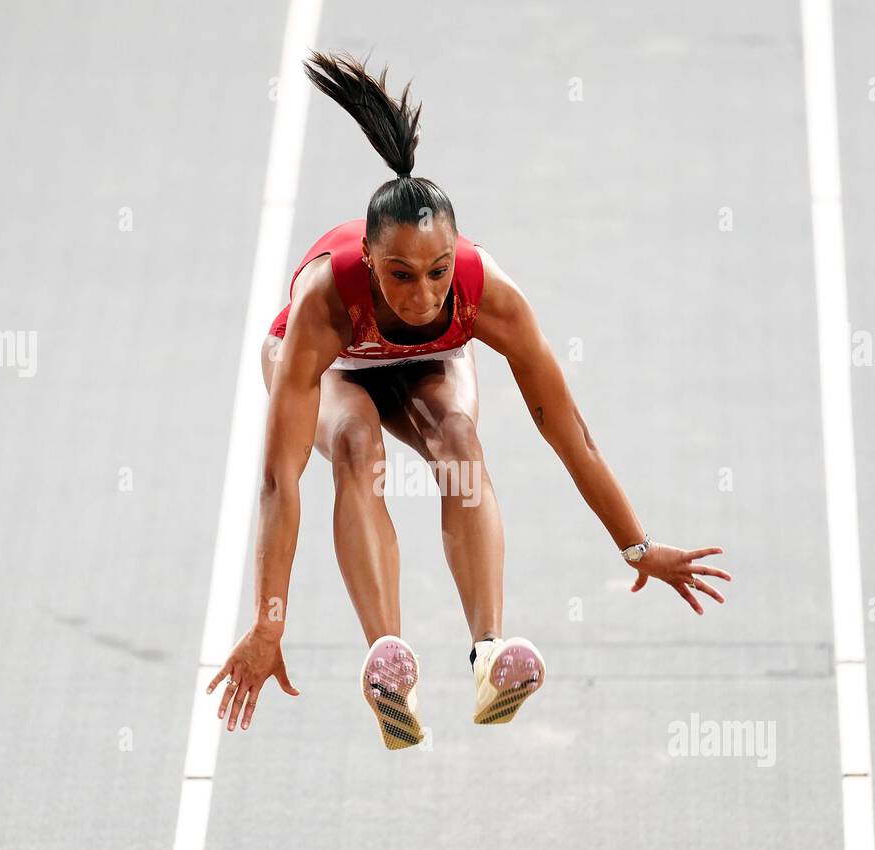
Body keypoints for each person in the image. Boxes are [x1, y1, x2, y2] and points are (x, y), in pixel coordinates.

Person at [208, 49, 731, 749]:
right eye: (399, 275)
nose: (423, 296)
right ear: (366, 260)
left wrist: (635, 547)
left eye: (437, 272)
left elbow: (570, 433)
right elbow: (280, 480)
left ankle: (488, 657)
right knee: (357, 446)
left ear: (458, 257)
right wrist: (270, 620)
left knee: (459, 441)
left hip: (426, 367)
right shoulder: (325, 303)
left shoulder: (491, 298)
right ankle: (388, 664)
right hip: (338, 365)